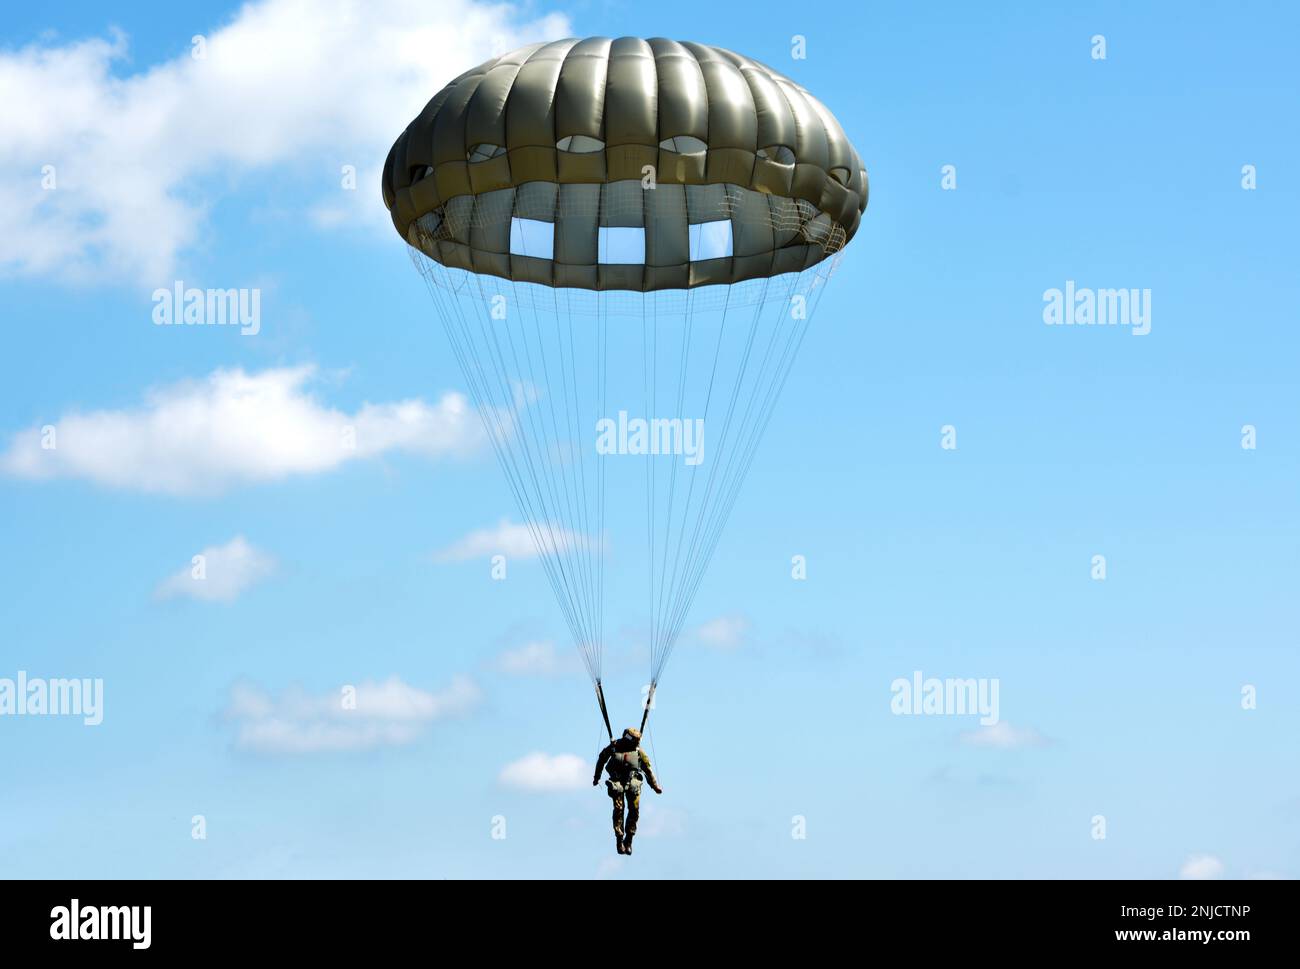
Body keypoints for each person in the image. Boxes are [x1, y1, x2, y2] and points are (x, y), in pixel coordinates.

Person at [593, 727, 662, 855]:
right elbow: (602, 759)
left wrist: (655, 786)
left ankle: (629, 840)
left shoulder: (638, 751)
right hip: (617, 783)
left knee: (634, 811)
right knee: (619, 810)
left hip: (632, 783)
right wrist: (596, 777)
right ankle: (619, 840)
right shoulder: (614, 747)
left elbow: (648, 769)